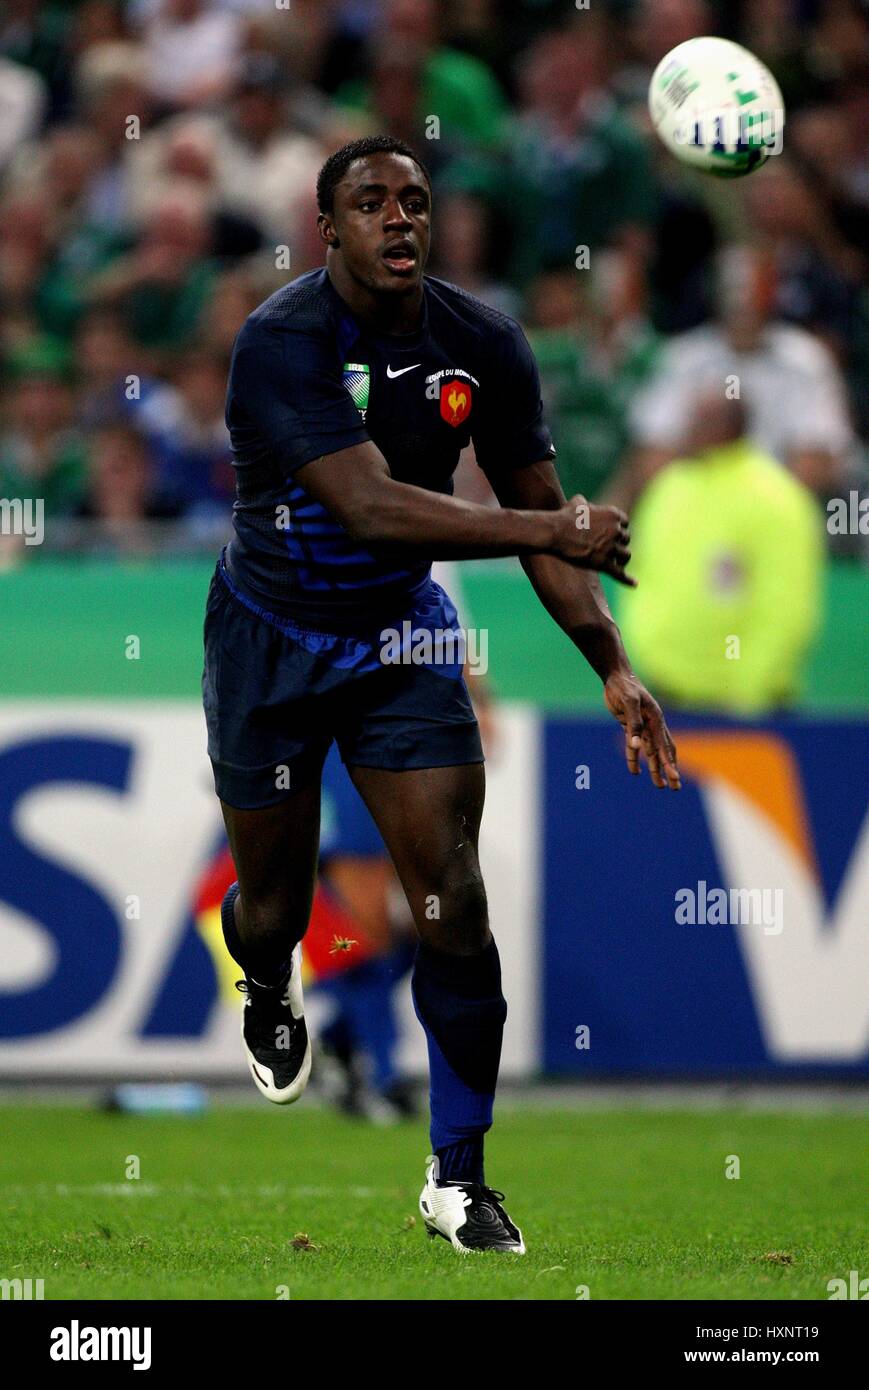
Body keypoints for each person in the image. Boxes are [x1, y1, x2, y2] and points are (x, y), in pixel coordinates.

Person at [202, 135, 679, 1256]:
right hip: (268, 638)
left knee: (448, 897)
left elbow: (536, 504)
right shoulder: (279, 343)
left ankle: (456, 1177)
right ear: (329, 229)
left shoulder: (484, 343)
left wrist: (607, 661)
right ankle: (268, 984)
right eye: (369, 203)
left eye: (413, 200)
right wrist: (549, 527)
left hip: (399, 638)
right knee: (270, 905)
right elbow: (373, 507)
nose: (398, 218)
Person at [617, 390, 824, 714]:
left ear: (730, 428)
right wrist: (648, 656)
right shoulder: (669, 488)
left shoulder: (776, 498)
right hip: (664, 694)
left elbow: (786, 605)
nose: (686, 428)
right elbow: (641, 572)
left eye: (699, 421)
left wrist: (749, 695)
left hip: (752, 708)